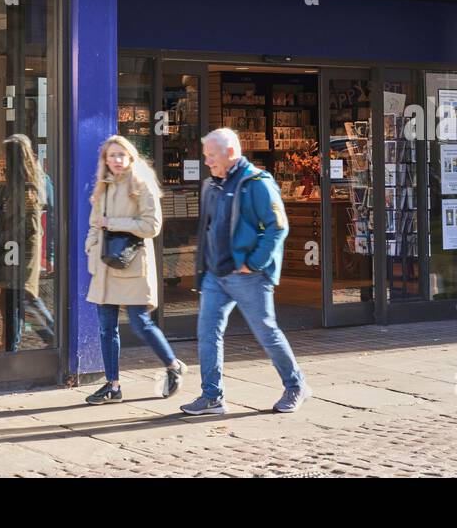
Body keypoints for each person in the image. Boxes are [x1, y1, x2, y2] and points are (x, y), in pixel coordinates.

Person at [180, 127, 309, 417]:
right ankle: (212, 396)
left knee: (266, 332)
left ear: (230, 152)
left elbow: (278, 226)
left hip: (247, 275)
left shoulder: (257, 183)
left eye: (211, 156)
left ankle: (295, 385)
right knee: (207, 333)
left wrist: (254, 263)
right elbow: (209, 229)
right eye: (205, 156)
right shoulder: (212, 185)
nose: (207, 162)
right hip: (216, 274)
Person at [84, 135, 187, 403]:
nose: (117, 160)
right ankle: (113, 386)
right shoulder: (103, 186)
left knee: (140, 323)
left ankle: (173, 366)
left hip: (132, 265)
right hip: (105, 265)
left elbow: (152, 226)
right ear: (105, 160)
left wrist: (114, 223)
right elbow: (95, 224)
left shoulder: (142, 184)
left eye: (121, 154)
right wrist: (91, 247)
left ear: (131, 156)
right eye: (111, 156)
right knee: (106, 329)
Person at [0, 134, 56, 350]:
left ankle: (54, 337)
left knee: (26, 297)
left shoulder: (29, 186)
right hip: (11, 248)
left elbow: (29, 225)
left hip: (22, 251)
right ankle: (11, 345)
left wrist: (7, 232)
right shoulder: (15, 182)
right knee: (9, 297)